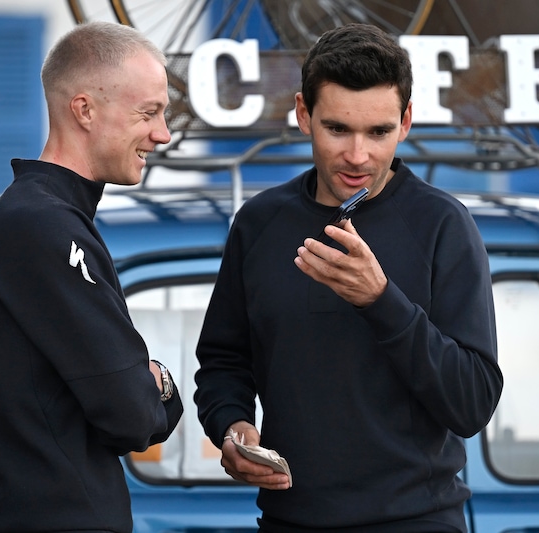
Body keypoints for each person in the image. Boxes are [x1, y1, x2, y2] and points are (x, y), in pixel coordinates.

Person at [194, 23, 503, 533]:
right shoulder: (259, 221)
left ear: (405, 122)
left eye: (378, 132)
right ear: (302, 114)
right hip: (288, 519)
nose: (358, 156)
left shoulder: (443, 225)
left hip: (416, 522)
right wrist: (231, 426)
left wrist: (381, 299)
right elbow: (224, 360)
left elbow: (471, 403)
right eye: (337, 128)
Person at [0, 21, 183, 533]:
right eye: (149, 113)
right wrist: (158, 382)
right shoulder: (44, 225)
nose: (163, 133)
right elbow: (135, 416)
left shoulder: (40, 217)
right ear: (84, 110)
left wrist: (147, 378)